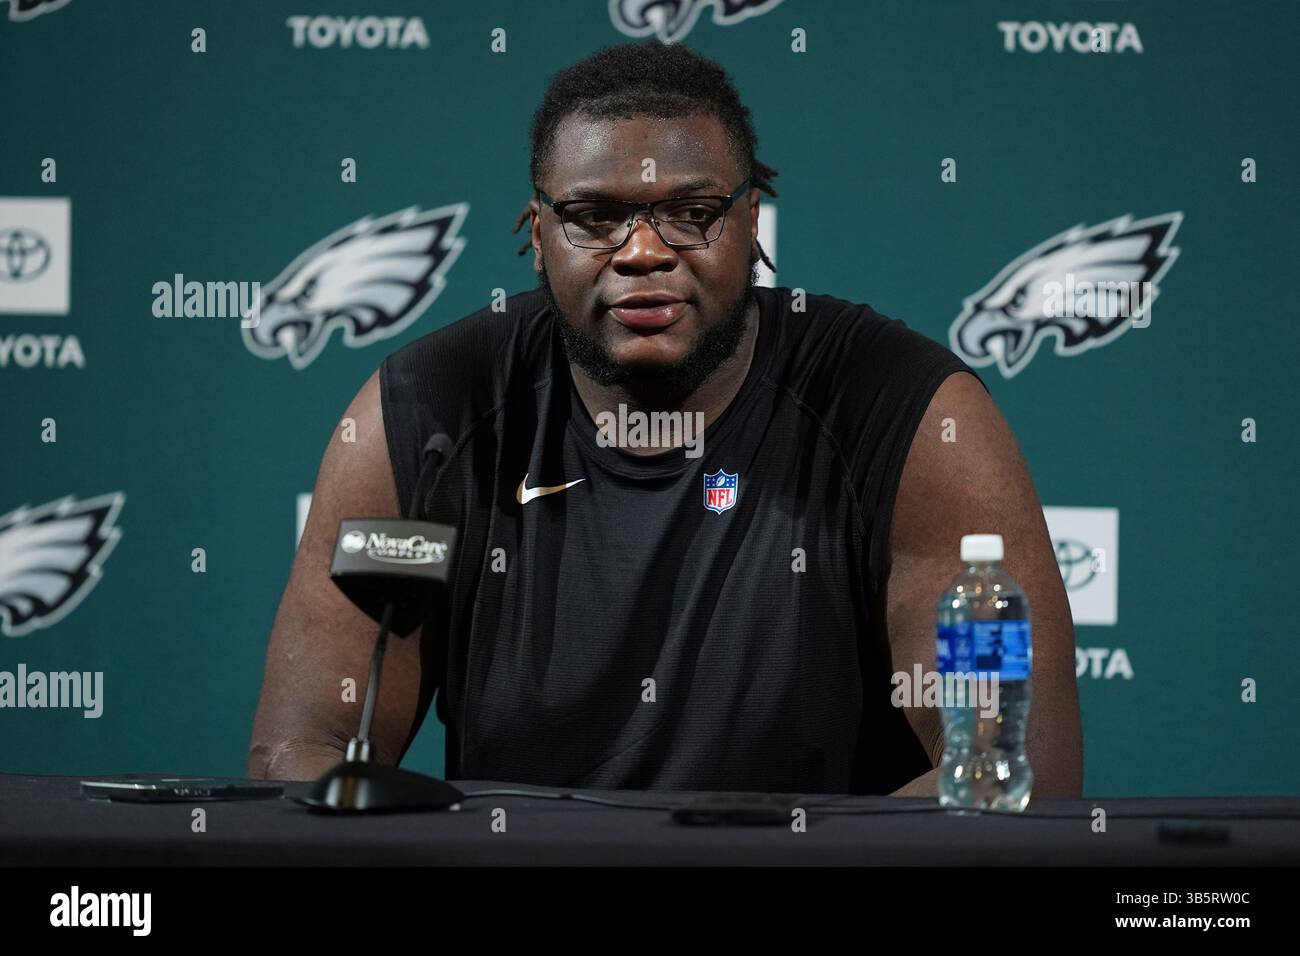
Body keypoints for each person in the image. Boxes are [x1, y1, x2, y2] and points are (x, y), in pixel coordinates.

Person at [248, 40, 1082, 796]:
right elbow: (303, 756)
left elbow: (1013, 775)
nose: (644, 251)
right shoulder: (428, 412)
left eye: (692, 213)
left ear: (752, 222)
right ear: (536, 234)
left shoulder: (909, 414)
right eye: (595, 217)